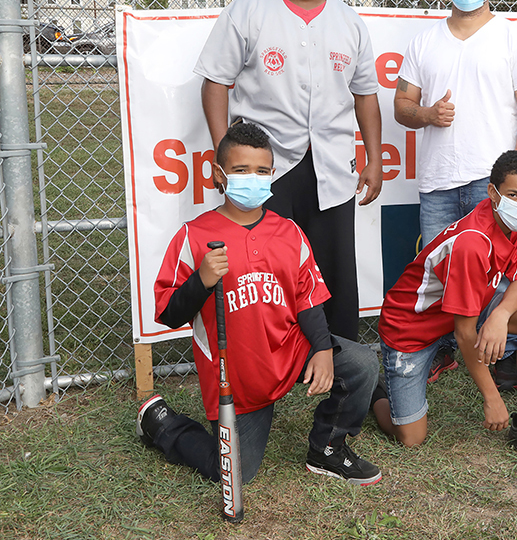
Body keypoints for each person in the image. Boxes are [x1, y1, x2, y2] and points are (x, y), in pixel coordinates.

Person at [137, 122, 382, 485]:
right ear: (219, 175)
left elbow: (307, 299)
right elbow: (169, 313)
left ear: (272, 175)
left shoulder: (288, 231)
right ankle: (160, 422)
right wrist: (201, 280)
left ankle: (327, 448)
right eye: (240, 171)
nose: (253, 179)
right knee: (234, 473)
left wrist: (322, 349)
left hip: (289, 352)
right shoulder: (194, 235)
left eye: (261, 171)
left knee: (361, 363)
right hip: (237, 377)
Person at [196, 0, 382, 341]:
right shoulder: (248, 10)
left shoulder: (348, 21)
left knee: (335, 267)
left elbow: (365, 94)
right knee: (267, 265)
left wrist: (373, 158)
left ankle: (340, 355)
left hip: (332, 163)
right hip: (268, 164)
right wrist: (222, 153)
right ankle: (275, 351)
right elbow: (215, 83)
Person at [393, 0, 517, 384]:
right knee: (442, 272)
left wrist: (514, 177)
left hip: (494, 182)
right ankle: (445, 349)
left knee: (506, 272)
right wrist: (427, 114)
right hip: (438, 180)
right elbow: (402, 107)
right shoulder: (425, 41)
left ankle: (508, 356)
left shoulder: (511, 38)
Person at [374, 151, 517, 463]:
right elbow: (465, 334)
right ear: (492, 193)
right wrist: (491, 398)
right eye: (514, 195)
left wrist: (501, 317)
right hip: (412, 328)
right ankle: (377, 391)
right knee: (411, 438)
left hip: (464, 308)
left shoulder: (516, 220)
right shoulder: (472, 243)